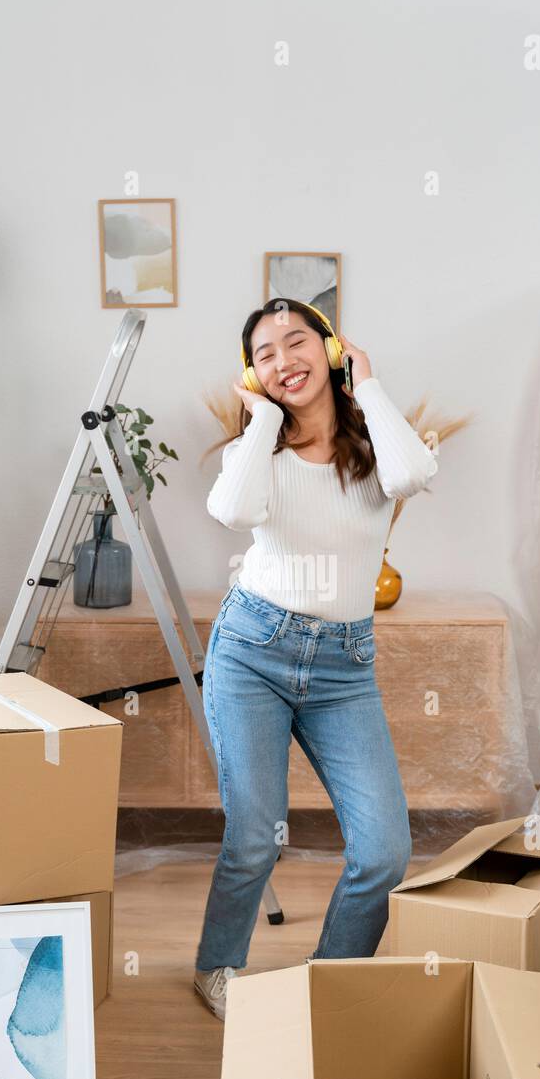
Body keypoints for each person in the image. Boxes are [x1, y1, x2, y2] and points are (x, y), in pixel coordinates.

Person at [194, 299, 438, 1019]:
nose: (281, 360)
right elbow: (231, 514)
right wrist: (262, 416)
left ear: (331, 350)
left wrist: (367, 385)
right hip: (252, 654)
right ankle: (217, 966)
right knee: (254, 835)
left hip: (343, 667)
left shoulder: (377, 442)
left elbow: (410, 477)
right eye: (263, 353)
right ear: (252, 374)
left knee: (384, 851)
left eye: (295, 342)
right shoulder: (257, 453)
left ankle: (329, 979)